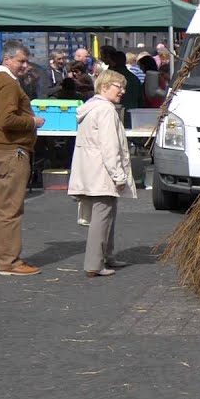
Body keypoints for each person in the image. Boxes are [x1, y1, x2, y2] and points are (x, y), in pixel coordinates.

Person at [0, 41, 45, 276]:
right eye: (21, 61)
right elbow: (7, 120)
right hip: (12, 151)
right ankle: (9, 261)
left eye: (26, 61)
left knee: (1, 207)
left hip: (1, 149)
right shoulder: (7, 83)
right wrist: (33, 121)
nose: (25, 65)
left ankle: (0, 256)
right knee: (11, 208)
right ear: (7, 59)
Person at [68, 69, 135, 277]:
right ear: (104, 87)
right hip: (103, 171)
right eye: (119, 86)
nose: (122, 91)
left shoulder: (91, 107)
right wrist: (118, 175)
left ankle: (106, 256)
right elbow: (109, 146)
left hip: (91, 169)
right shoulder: (106, 110)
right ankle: (94, 264)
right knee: (102, 216)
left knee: (106, 214)